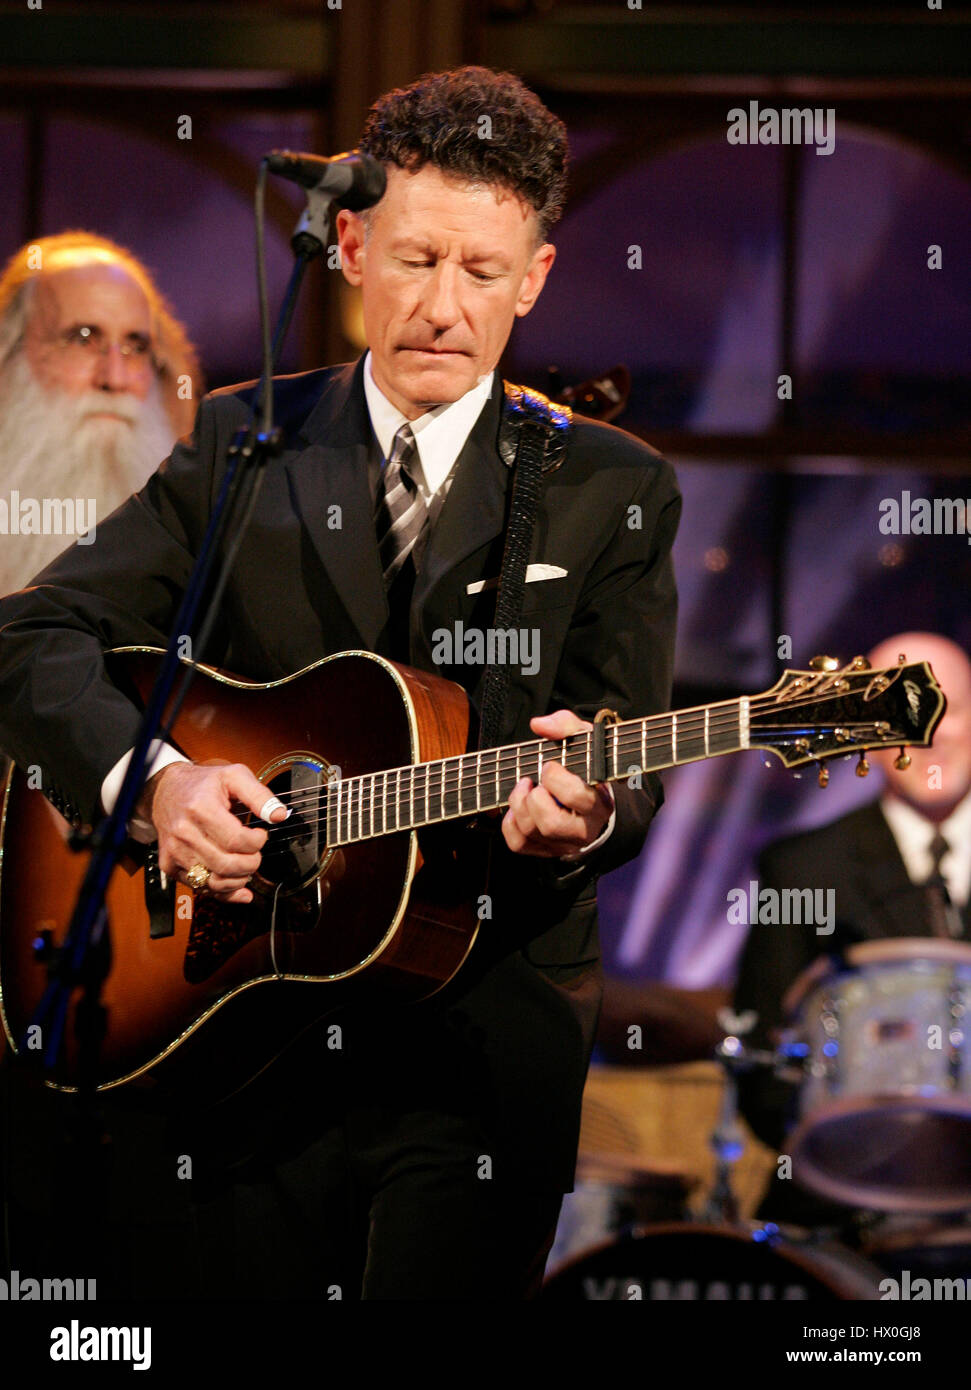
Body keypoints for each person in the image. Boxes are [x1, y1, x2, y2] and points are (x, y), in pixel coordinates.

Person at [0, 66, 681, 1300]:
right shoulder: (240, 440)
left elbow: (623, 743)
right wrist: (155, 786)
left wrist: (581, 816)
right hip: (233, 1029)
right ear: (351, 245)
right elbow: (32, 636)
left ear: (533, 278)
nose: (443, 306)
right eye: (416, 260)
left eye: (484, 273)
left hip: (478, 1044)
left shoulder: (612, 487)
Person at [734, 631, 971, 1223]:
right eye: (897, 711)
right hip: (848, 1208)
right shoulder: (802, 867)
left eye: (949, 707)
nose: (928, 732)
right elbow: (762, 1062)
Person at [0, 230, 201, 594]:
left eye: (134, 347)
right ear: (9, 354)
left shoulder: (205, 542)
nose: (115, 378)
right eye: (82, 338)